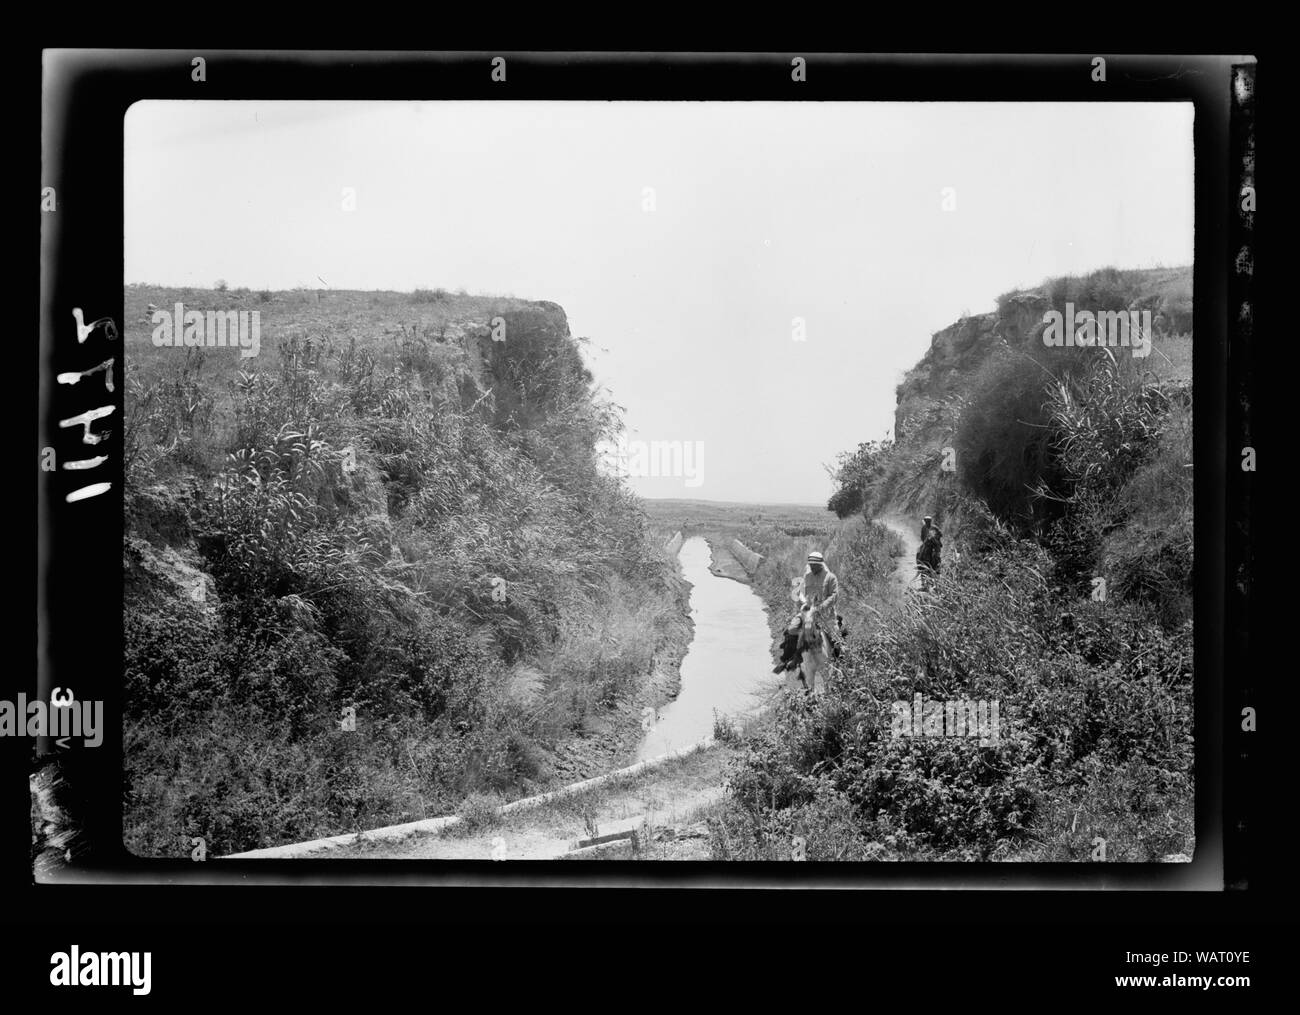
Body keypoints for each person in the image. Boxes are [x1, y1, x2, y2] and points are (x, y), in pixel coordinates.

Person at [803, 551, 842, 653]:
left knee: (836, 640)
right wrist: (804, 605)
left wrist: (821, 607)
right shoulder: (807, 577)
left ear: (820, 565)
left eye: (814, 565)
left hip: (827, 616)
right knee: (793, 634)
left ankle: (839, 661)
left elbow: (834, 595)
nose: (811, 567)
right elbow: (805, 594)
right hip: (810, 615)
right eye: (810, 564)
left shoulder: (830, 577)